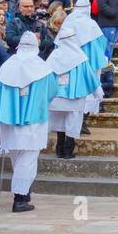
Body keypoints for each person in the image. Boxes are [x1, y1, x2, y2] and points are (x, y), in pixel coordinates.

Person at [0, 32, 59, 212]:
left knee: (17, 157)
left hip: (9, 118)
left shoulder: (7, 66)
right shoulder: (42, 68)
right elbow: (52, 91)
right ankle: (20, 198)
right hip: (33, 119)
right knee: (28, 159)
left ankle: (24, 192)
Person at [47, 25, 100, 160]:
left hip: (56, 95)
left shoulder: (54, 56)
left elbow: (45, 75)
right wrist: (97, 92)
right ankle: (68, 150)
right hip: (75, 95)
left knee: (59, 121)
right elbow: (89, 76)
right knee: (73, 121)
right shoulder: (79, 56)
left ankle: (59, 148)